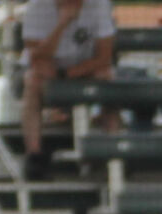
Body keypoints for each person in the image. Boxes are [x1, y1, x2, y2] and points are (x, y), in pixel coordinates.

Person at [20, 0, 115, 181]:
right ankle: (34, 155)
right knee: (31, 82)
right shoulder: (37, 6)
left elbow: (104, 57)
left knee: (108, 78)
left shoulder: (100, 5)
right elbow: (35, 56)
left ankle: (113, 153)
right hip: (47, 70)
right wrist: (62, 24)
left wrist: (68, 73)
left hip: (85, 68)